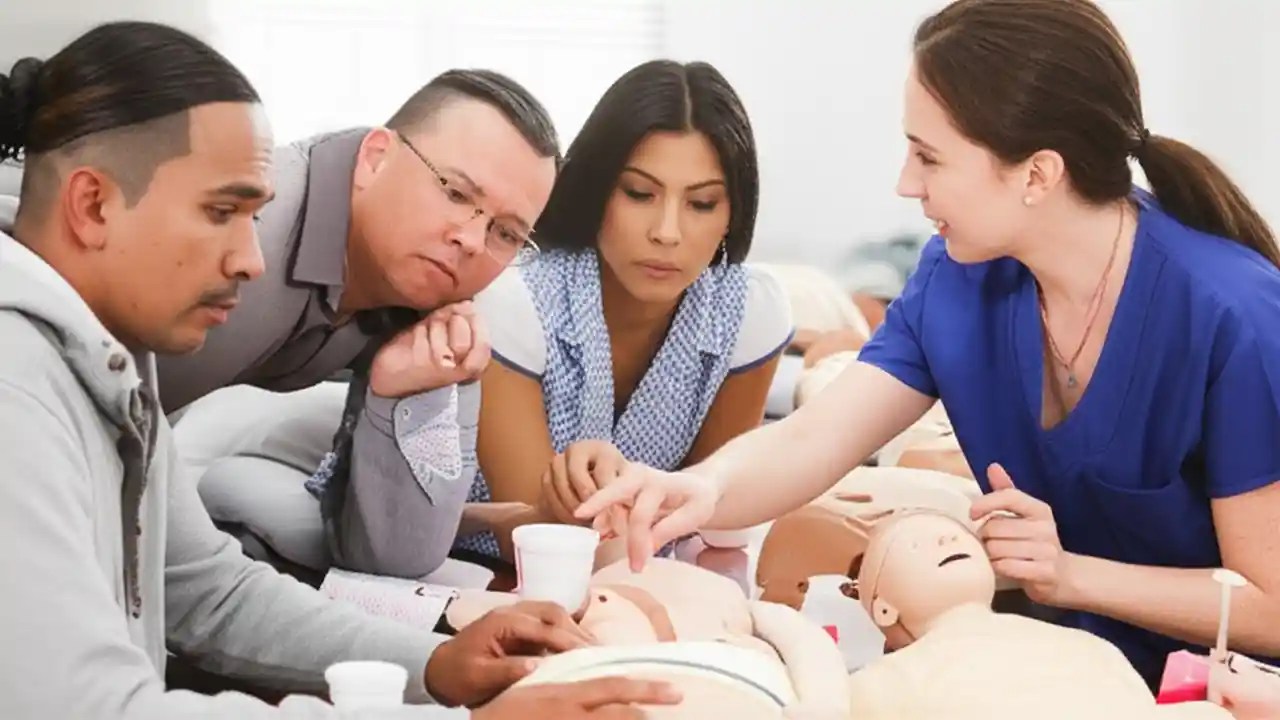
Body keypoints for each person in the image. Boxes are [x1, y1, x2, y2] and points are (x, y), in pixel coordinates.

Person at [574, 0, 1280, 690]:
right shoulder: (959, 276)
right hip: (1055, 669)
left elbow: (1272, 608)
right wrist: (701, 488)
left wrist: (1070, 575)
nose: (905, 183)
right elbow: (813, 437)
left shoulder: (1231, 318)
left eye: (928, 157)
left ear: (1037, 173)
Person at [0, 22, 679, 719]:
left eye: (506, 231)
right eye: (221, 212)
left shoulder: (115, 350)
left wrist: (440, 665)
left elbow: (205, 589)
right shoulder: (17, 379)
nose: (250, 260)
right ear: (91, 205)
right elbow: (85, 705)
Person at [151, 65, 561, 580]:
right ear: (375, 157)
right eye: (455, 194)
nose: (473, 240)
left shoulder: (437, 316)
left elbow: (396, 556)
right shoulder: (250, 223)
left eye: (506, 233)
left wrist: (404, 402)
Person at [448, 59, 791, 564]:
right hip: (483, 564)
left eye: (701, 204)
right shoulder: (515, 301)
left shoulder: (749, 311)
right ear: (598, 189)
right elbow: (531, 543)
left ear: (732, 214)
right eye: (638, 194)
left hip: (637, 573)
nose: (667, 232)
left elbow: (714, 514)